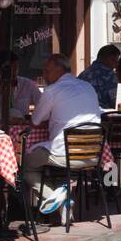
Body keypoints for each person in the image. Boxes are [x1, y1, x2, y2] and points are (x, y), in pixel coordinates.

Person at [22, 54, 101, 224]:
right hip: (93, 155)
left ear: (60, 69)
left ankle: (56, 200)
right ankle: (62, 200)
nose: (44, 74)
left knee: (23, 165)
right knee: (49, 161)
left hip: (65, 155)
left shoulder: (52, 90)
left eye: (47, 70)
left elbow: (35, 121)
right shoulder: (88, 87)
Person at [0, 49, 41, 125]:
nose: (14, 72)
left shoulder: (28, 84)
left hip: (22, 128)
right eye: (10, 69)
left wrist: (29, 119)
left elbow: (42, 104)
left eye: (16, 68)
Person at [78, 44, 120, 110]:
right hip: (103, 115)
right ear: (103, 58)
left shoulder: (84, 73)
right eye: (113, 60)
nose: (116, 64)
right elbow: (116, 101)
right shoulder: (110, 75)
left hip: (82, 111)